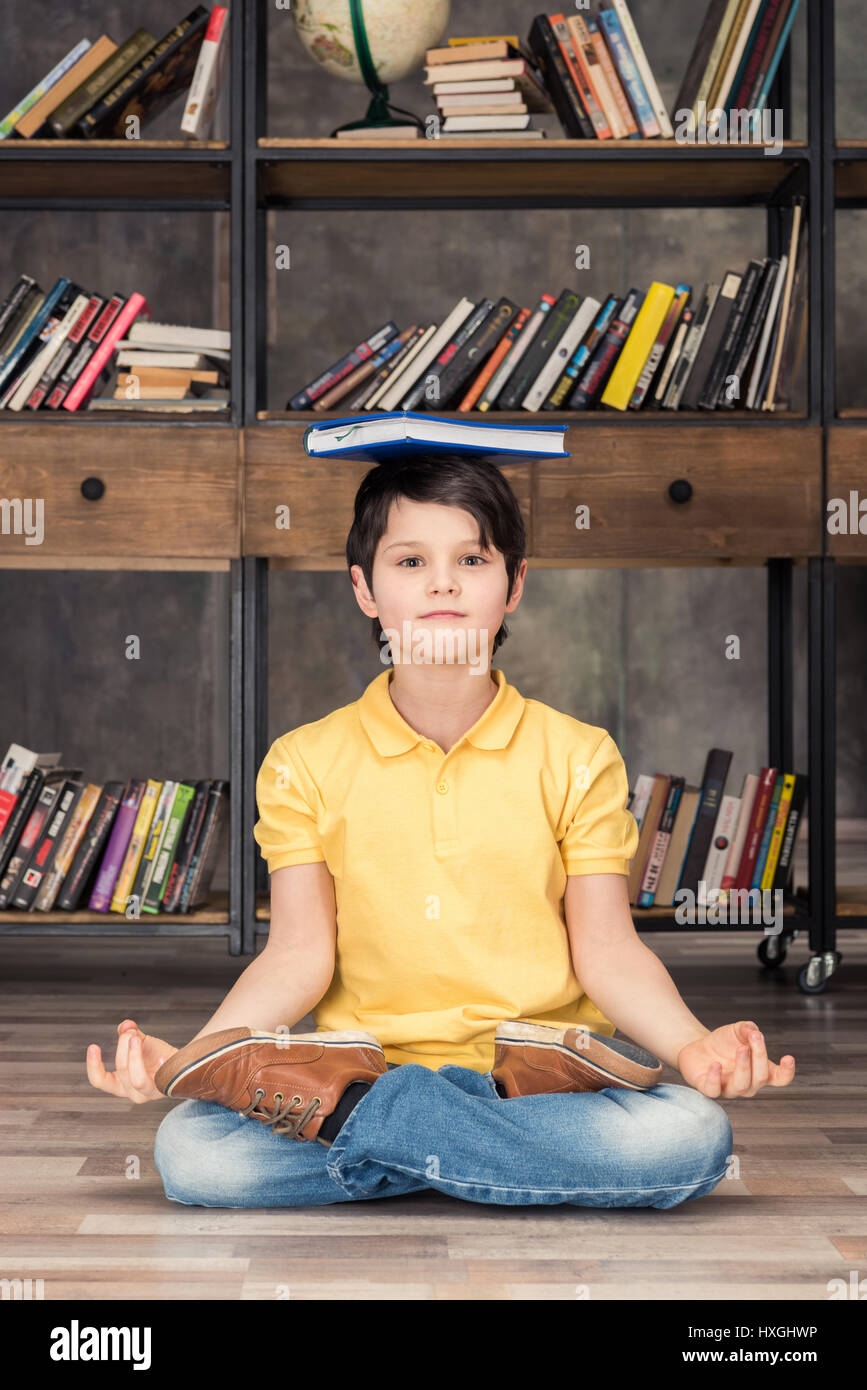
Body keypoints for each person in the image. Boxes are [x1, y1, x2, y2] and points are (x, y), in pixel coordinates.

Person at [87, 451, 795, 1210]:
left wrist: (692, 1046)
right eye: (410, 559)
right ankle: (480, 1161)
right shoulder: (303, 761)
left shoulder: (579, 755)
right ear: (363, 588)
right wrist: (199, 1059)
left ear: (513, 584)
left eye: (471, 558)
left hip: (536, 1083)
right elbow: (297, 955)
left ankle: (382, 1146)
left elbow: (607, 949)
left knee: (688, 1136)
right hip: (361, 1072)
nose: (443, 583)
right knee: (193, 1153)